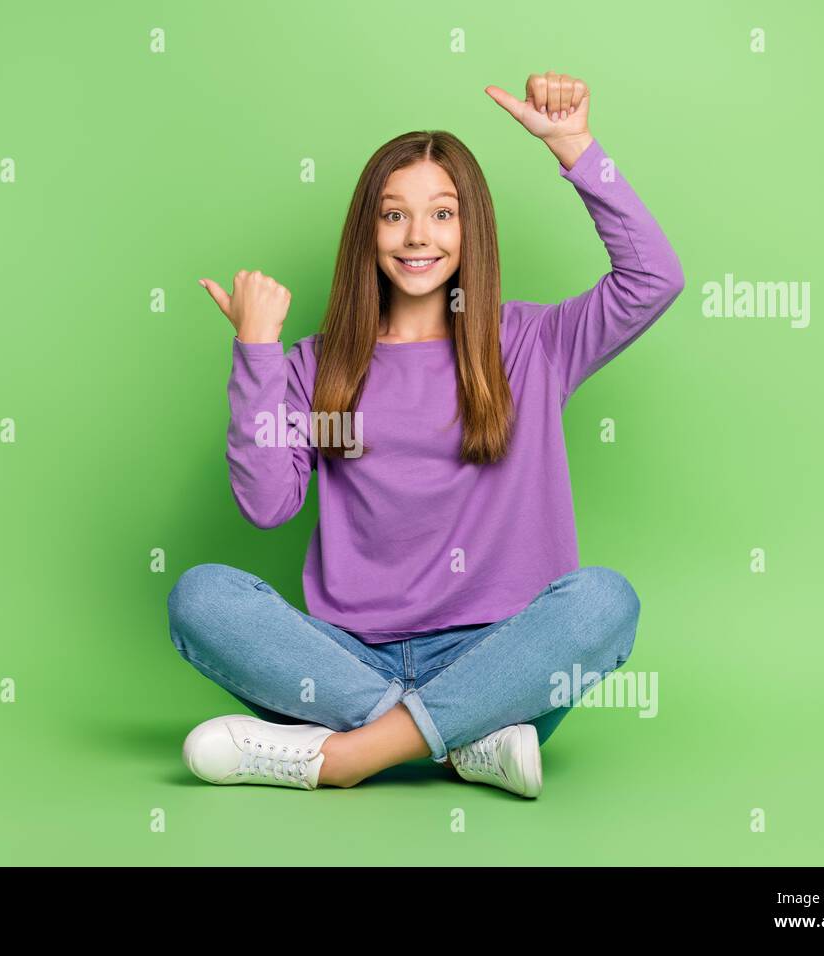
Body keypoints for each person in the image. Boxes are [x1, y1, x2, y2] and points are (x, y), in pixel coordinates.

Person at [171, 71, 684, 797]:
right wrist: (256, 350)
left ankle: (347, 757)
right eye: (394, 216)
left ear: (471, 230)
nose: (418, 237)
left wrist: (576, 149)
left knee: (604, 602)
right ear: (367, 232)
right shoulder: (317, 366)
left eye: (443, 214)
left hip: (499, 666)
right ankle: (456, 746)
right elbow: (266, 505)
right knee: (201, 598)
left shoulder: (531, 344)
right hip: (352, 663)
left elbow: (652, 278)